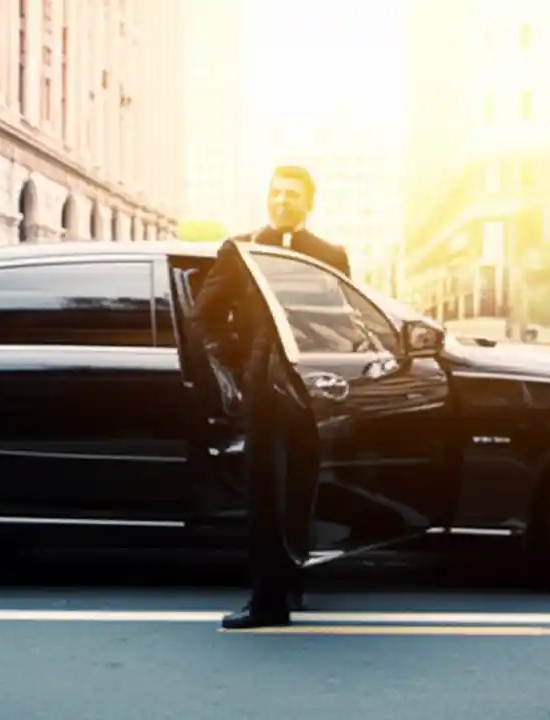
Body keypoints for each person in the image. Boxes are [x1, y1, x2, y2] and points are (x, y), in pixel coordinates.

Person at [189, 166, 348, 629]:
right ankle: (266, 601)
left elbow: (341, 320)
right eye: (276, 193)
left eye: (292, 195)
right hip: (261, 391)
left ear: (308, 203)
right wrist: (240, 368)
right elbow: (205, 316)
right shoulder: (240, 249)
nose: (282, 201)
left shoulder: (331, 255)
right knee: (266, 496)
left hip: (312, 392)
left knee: (303, 491)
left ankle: (293, 585)